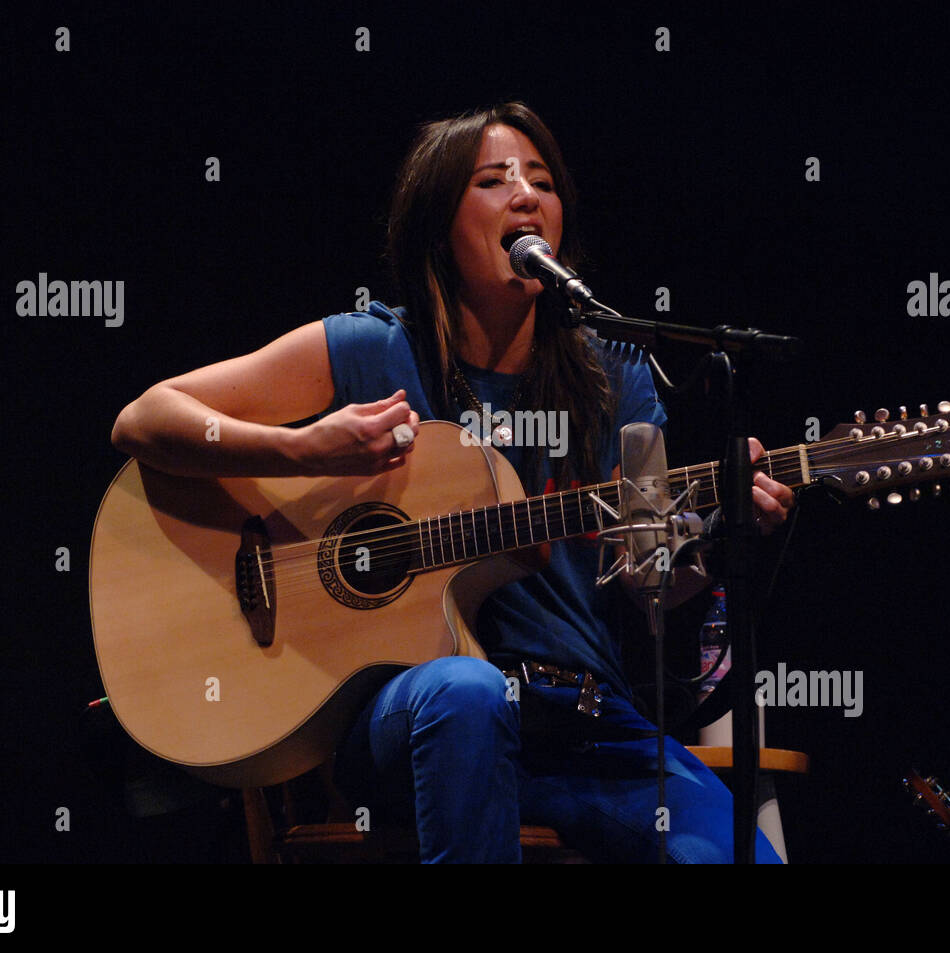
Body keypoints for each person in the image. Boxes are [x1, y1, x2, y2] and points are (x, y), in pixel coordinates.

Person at [112, 102, 794, 862]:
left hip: (585, 725)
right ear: (441, 223)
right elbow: (146, 419)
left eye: (541, 180)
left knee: (743, 856)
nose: (527, 196)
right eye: (494, 180)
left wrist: (718, 540)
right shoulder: (372, 348)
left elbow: (649, 582)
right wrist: (305, 449)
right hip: (417, 720)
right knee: (467, 693)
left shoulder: (614, 375)